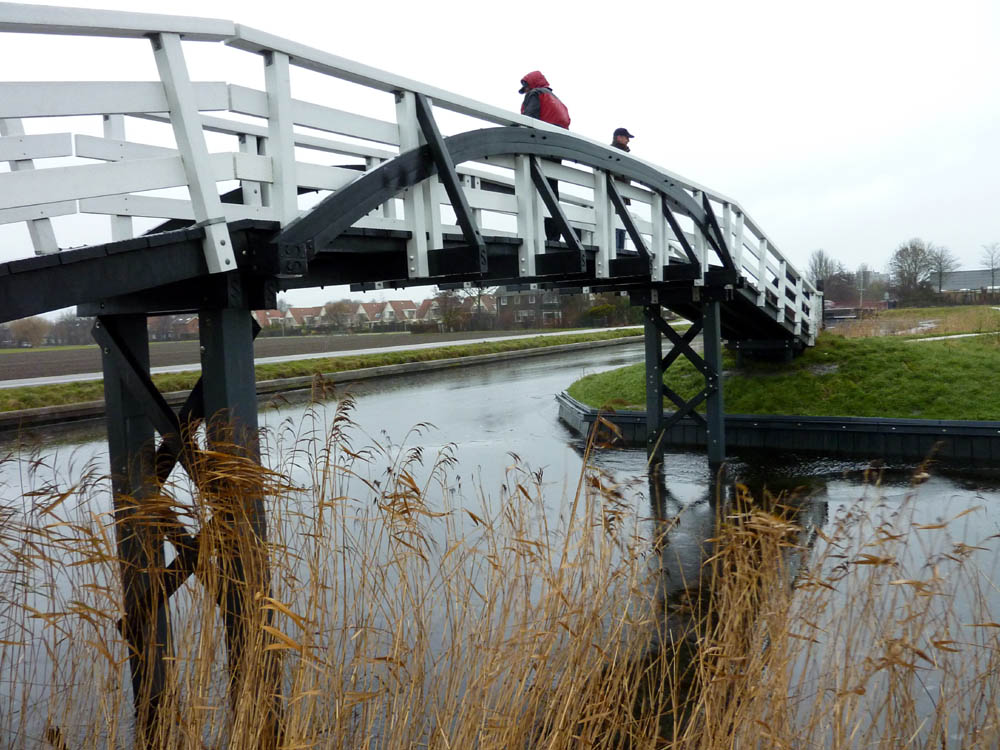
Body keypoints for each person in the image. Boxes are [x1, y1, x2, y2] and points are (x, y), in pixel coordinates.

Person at [519, 71, 570, 241]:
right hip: (557, 149)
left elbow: (530, 119)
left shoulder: (535, 94)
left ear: (530, 84)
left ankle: (532, 236)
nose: (525, 92)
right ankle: (554, 235)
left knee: (531, 188)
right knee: (552, 191)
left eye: (525, 88)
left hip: (541, 147)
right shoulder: (556, 99)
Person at [610, 128, 635, 251]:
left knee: (620, 223)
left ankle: (619, 249)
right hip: (616, 194)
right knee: (617, 222)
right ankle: (617, 250)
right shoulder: (614, 152)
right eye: (626, 137)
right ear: (619, 137)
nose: (628, 140)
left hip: (621, 195)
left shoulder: (621, 152)